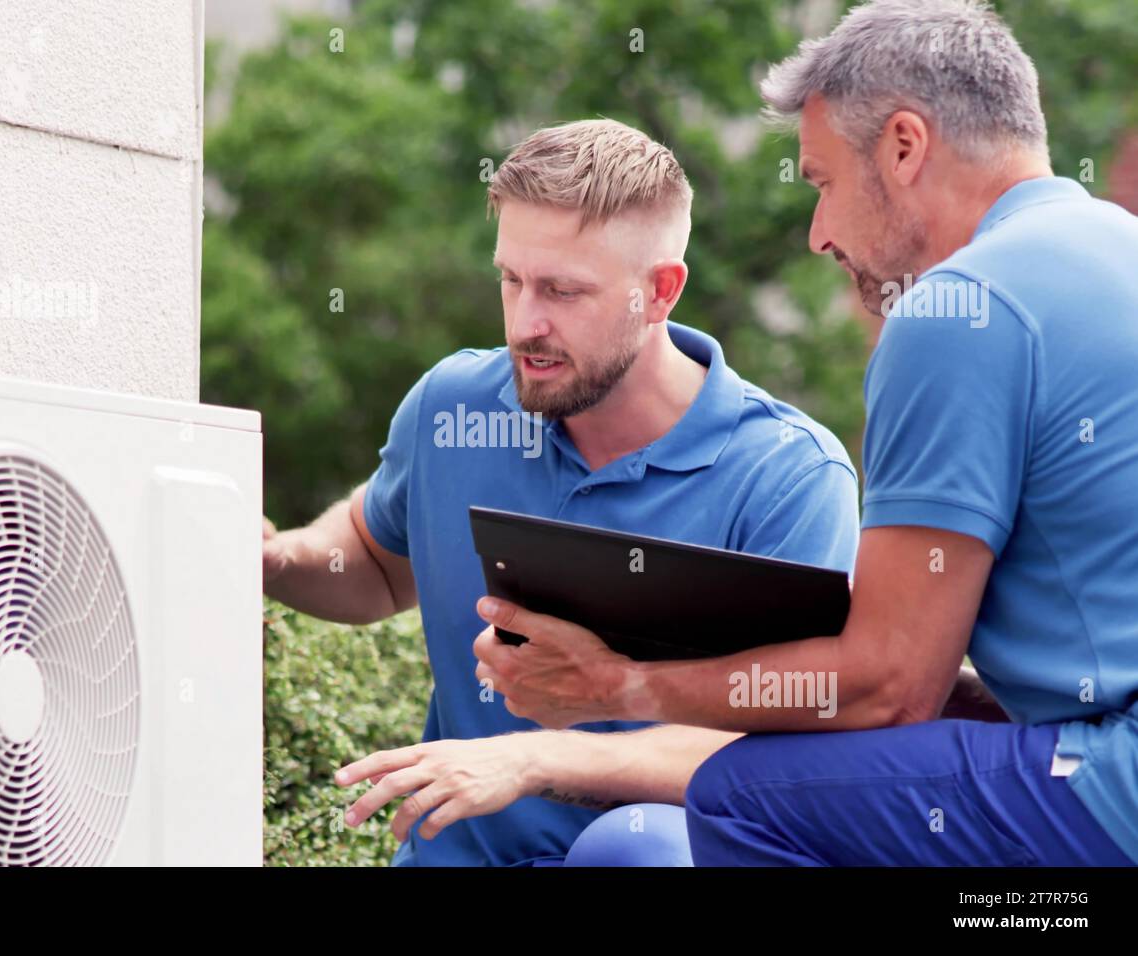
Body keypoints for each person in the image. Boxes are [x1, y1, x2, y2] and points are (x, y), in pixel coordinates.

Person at [472, 0, 1138, 866]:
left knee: (742, 795)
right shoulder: (1115, 247)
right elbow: (939, 687)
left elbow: (892, 688)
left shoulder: (957, 309)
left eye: (821, 182)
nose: (820, 232)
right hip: (1097, 758)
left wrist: (615, 685)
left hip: (1110, 782)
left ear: (904, 146)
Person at [263, 118, 860, 866]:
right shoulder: (453, 408)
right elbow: (376, 564)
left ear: (661, 291)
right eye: (510, 280)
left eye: (563, 291)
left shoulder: (789, 476)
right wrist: (277, 559)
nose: (525, 323)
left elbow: (780, 744)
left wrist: (530, 760)